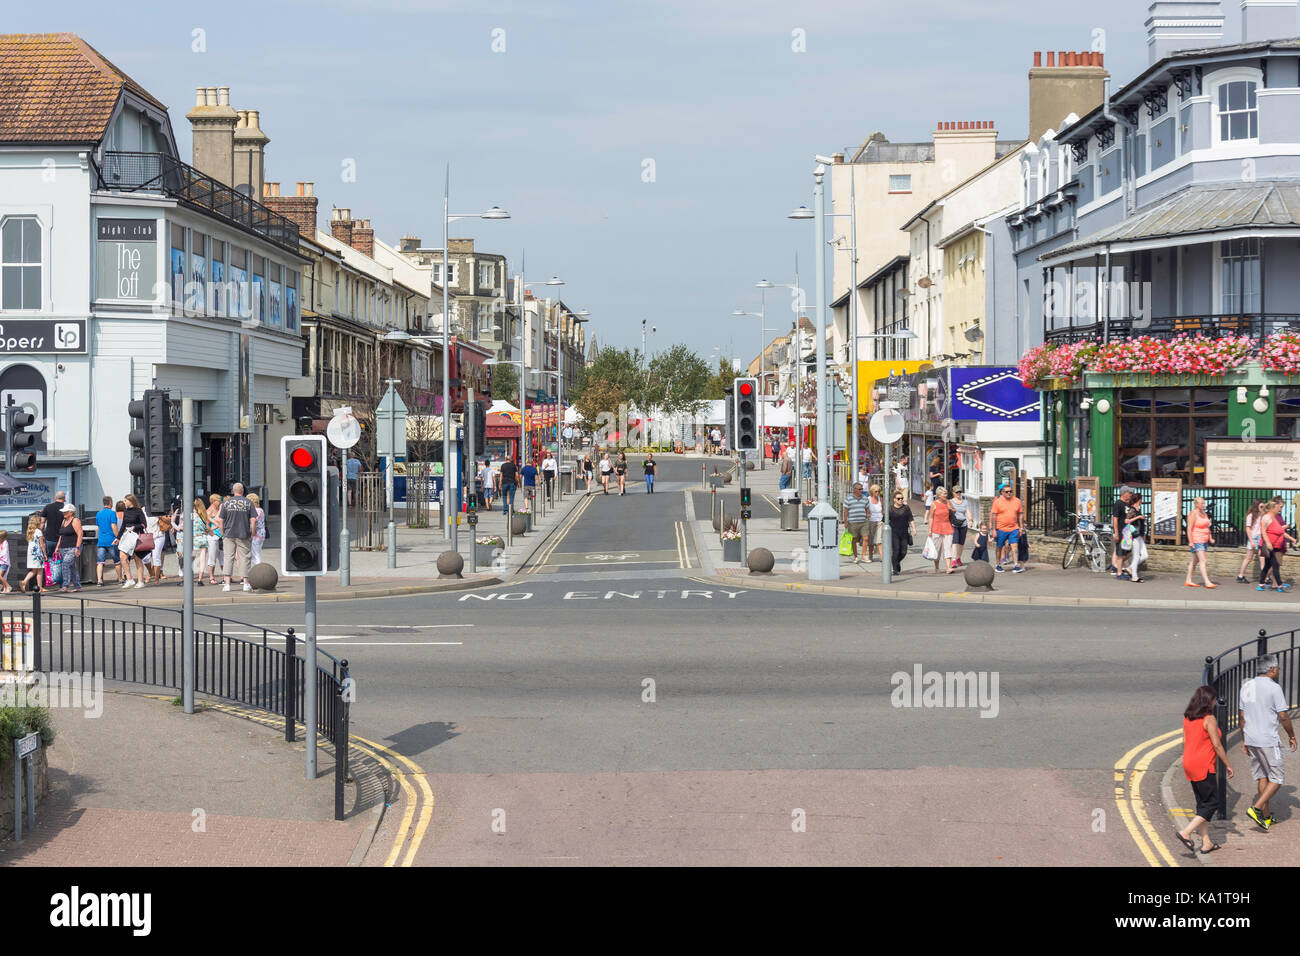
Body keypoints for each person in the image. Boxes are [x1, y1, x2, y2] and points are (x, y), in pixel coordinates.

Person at [1240, 654, 1297, 830]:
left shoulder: (1247, 685)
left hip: (1251, 737)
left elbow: (1242, 716)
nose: (1278, 670)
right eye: (1277, 668)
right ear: (1271, 669)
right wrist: (1292, 736)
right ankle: (1256, 808)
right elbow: (1283, 716)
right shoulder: (1274, 688)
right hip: (1268, 740)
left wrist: (1244, 739)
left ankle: (1265, 817)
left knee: (1263, 775)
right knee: (1278, 778)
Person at [1175, 685, 1232, 855]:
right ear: (1209, 701)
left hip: (1189, 762)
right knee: (1213, 803)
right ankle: (1186, 832)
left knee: (1203, 804)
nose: (1215, 703)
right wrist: (1228, 764)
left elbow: (1184, 742)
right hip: (1203, 765)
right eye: (1214, 700)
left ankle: (1206, 842)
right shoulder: (1209, 719)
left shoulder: (1188, 718)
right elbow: (1216, 745)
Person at [218, 482, 254, 593]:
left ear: (233, 491)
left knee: (228, 557)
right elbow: (253, 520)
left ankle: (227, 584)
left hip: (229, 533)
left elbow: (220, 520)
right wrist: (252, 533)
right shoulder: (248, 502)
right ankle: (246, 583)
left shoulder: (226, 503)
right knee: (244, 558)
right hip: (243, 533)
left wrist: (222, 533)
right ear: (242, 491)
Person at [1257, 497, 1296, 592]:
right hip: (1268, 546)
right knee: (1275, 565)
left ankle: (1261, 584)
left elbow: (1280, 531)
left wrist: (1291, 538)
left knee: (1267, 566)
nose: (1279, 509)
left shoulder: (1273, 518)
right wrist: (1268, 543)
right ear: (1272, 508)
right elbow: (1263, 531)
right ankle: (1279, 585)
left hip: (1274, 546)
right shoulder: (1266, 517)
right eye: (1278, 507)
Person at [989, 483, 1024, 573]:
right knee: (999, 547)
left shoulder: (1017, 501)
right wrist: (993, 529)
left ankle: (1016, 565)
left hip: (1014, 528)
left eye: (1010, 491)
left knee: (1014, 547)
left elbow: (1020, 515)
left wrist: (1021, 528)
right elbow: (993, 516)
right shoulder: (997, 502)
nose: (1009, 493)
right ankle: (998, 565)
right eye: (1007, 492)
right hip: (1000, 529)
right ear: (1002, 492)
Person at [1184, 496, 1217, 589]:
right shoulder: (1193, 513)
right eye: (1201, 503)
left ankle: (1188, 580)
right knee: (1203, 560)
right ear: (1196, 504)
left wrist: (1210, 538)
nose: (1203, 505)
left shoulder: (1204, 513)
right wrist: (1190, 541)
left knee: (1195, 561)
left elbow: (1207, 526)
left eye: (1204, 503)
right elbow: (1189, 528)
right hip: (1197, 540)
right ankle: (1207, 582)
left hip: (1204, 540)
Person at [53, 502, 83, 593]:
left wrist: (77, 548)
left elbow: (80, 534)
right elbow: (61, 535)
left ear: (71, 512)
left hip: (73, 547)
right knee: (72, 567)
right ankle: (78, 586)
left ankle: (65, 585)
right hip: (63, 547)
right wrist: (57, 547)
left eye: (65, 512)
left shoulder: (75, 520)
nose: (63, 513)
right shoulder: (64, 521)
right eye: (63, 512)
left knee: (65, 564)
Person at [119, 494, 148, 589]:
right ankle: (130, 579)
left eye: (126, 500)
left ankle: (140, 581)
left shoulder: (139, 511)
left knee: (137, 558)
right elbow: (123, 525)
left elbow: (144, 524)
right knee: (122, 557)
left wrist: (135, 527)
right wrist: (117, 538)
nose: (124, 502)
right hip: (127, 536)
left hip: (137, 536)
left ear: (131, 501)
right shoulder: (126, 511)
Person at [887, 490, 916, 577]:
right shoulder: (890, 508)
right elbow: (885, 520)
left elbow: (910, 518)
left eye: (902, 498)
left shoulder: (906, 508)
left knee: (903, 552)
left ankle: (896, 562)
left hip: (904, 532)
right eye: (898, 498)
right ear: (894, 500)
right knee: (896, 551)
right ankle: (895, 569)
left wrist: (914, 528)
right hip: (894, 533)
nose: (900, 500)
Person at [94, 495, 121, 586]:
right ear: (110, 503)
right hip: (111, 540)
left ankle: (99, 581)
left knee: (100, 561)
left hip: (101, 540)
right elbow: (114, 526)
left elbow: (99, 527)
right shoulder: (112, 513)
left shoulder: (98, 514)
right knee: (116, 560)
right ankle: (120, 579)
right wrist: (118, 537)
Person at [1239, 499, 1267, 584]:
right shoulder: (1250, 516)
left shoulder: (1262, 515)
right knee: (1248, 558)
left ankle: (1265, 578)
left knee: (1262, 558)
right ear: (1256, 506)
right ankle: (1240, 576)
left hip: (1261, 537)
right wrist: (1251, 540)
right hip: (1254, 537)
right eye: (1261, 506)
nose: (1262, 508)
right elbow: (1248, 528)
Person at [1110, 487, 1136, 578]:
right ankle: (1119, 571)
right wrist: (1116, 533)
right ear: (1124, 493)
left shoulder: (1127, 504)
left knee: (1127, 551)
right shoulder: (1118, 503)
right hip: (1121, 531)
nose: (1130, 494)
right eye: (1129, 493)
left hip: (1127, 532)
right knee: (1120, 552)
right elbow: (1115, 518)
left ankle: (1118, 567)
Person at [842, 482, 870, 566]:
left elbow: (867, 508)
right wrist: (846, 521)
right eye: (860, 489)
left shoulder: (865, 498)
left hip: (863, 522)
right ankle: (855, 556)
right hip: (852, 522)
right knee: (854, 539)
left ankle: (863, 556)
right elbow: (846, 511)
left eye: (862, 489)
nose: (861, 490)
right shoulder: (848, 498)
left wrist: (868, 514)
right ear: (854, 490)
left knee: (866, 538)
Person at [929, 487, 954, 574]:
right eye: (944, 494)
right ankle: (937, 567)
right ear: (939, 495)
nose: (946, 495)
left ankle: (948, 568)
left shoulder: (948, 502)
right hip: (936, 528)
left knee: (948, 548)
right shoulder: (934, 504)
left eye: (946, 493)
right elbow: (931, 517)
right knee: (937, 549)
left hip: (947, 527)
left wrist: (951, 509)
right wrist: (929, 530)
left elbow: (954, 510)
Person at [1121, 505, 1148, 583]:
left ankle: (1130, 567)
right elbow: (1126, 521)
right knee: (1136, 556)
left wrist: (1143, 535)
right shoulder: (1132, 510)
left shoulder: (1138, 510)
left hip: (1139, 535)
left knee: (1145, 555)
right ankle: (1134, 576)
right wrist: (1138, 517)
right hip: (1134, 535)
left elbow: (1142, 525)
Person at [188, 496, 210, 586]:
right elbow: (208, 528)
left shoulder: (191, 515)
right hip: (203, 538)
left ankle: (189, 577)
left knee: (190, 559)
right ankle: (200, 579)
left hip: (193, 539)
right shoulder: (204, 515)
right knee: (202, 560)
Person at [41, 490, 66, 565]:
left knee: (50, 558)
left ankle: (50, 575)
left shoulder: (48, 507)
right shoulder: (66, 509)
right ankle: (60, 576)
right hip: (62, 538)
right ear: (64, 499)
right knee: (61, 559)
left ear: (55, 498)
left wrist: (40, 535)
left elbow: (42, 523)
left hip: (49, 537)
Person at [22, 516, 46, 594]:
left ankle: (24, 582)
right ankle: (40, 587)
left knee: (34, 570)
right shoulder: (38, 531)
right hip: (37, 553)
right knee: (40, 570)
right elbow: (42, 544)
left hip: (31, 553)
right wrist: (44, 554)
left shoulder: (30, 531)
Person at [949, 487, 972, 569]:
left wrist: (971, 520)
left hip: (963, 524)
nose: (958, 494)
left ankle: (958, 557)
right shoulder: (950, 502)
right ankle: (954, 560)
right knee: (955, 542)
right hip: (954, 524)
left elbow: (967, 511)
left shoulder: (965, 502)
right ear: (953, 493)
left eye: (960, 492)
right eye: (957, 492)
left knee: (961, 543)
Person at [206, 493, 224, 585]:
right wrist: (212, 531)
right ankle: (211, 577)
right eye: (218, 500)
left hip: (221, 536)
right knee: (212, 557)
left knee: (222, 557)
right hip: (213, 537)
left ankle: (225, 576)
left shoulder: (218, 509)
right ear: (213, 501)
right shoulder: (209, 511)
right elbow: (207, 525)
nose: (220, 502)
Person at [866, 483, 884, 563]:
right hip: (871, 522)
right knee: (871, 541)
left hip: (879, 521)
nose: (878, 493)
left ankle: (882, 556)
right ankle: (870, 555)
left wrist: (884, 520)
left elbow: (883, 510)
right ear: (872, 492)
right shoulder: (868, 499)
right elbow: (865, 509)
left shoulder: (880, 499)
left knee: (879, 540)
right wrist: (867, 514)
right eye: (876, 491)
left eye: (879, 491)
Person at [248, 492, 267, 566]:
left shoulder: (254, 510)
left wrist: (252, 534)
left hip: (256, 533)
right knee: (258, 552)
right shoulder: (261, 510)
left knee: (255, 554)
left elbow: (254, 522)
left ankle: (258, 569)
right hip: (261, 533)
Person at [0, 530, 10, 594]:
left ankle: (8, 586)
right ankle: (2, 587)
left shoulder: (5, 543)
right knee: (2, 577)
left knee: (0, 576)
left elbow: (4, 553)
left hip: (4, 563)